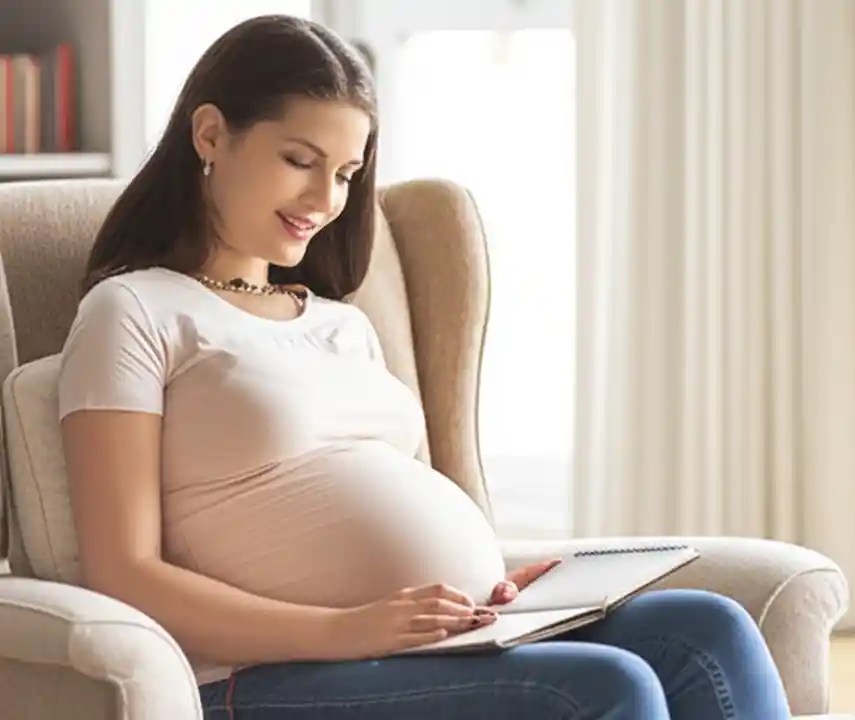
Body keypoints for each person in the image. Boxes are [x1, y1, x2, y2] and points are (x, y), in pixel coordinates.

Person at [57, 14, 791, 720]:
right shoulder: (136, 311)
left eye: (346, 173)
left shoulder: (343, 325)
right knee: (606, 686)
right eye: (299, 161)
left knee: (709, 628)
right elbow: (124, 573)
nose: (325, 200)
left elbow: (370, 504)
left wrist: (489, 584)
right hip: (266, 674)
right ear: (211, 133)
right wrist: (346, 627)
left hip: (434, 641)